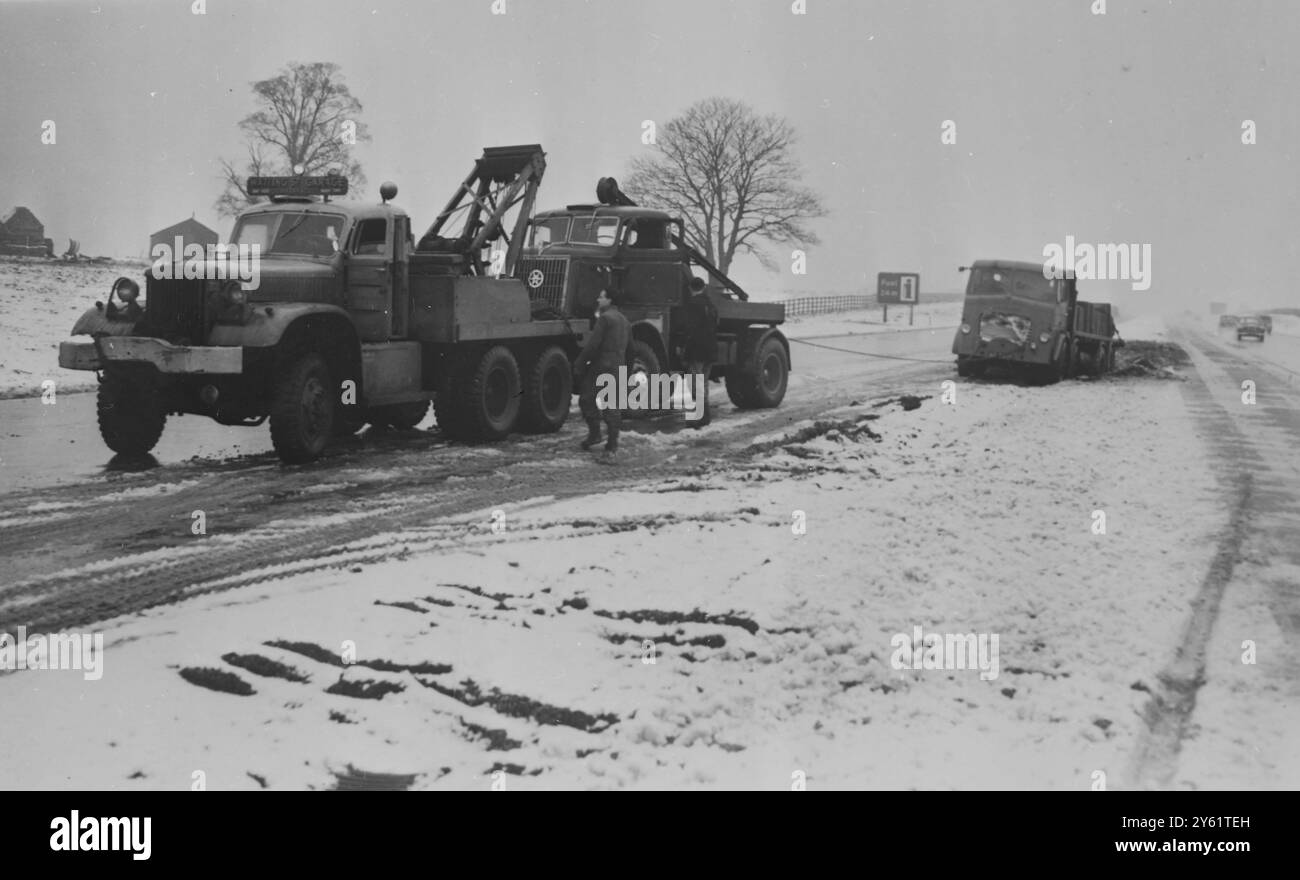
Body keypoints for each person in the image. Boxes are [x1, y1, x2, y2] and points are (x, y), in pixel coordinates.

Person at [573, 289, 630, 462]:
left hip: (602, 366)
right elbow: (631, 348)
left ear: (610, 300)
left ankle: (596, 435)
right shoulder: (625, 321)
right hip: (617, 366)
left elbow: (593, 345)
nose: (598, 299)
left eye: (602, 297)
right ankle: (611, 445)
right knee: (612, 405)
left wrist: (580, 363)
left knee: (586, 398)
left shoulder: (605, 319)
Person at [681, 276, 718, 427]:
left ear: (690, 288)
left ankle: (700, 416)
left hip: (697, 349)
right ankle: (705, 415)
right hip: (710, 348)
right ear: (703, 287)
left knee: (695, 382)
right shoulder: (710, 304)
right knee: (703, 382)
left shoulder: (693, 304)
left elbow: (690, 328)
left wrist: (683, 345)